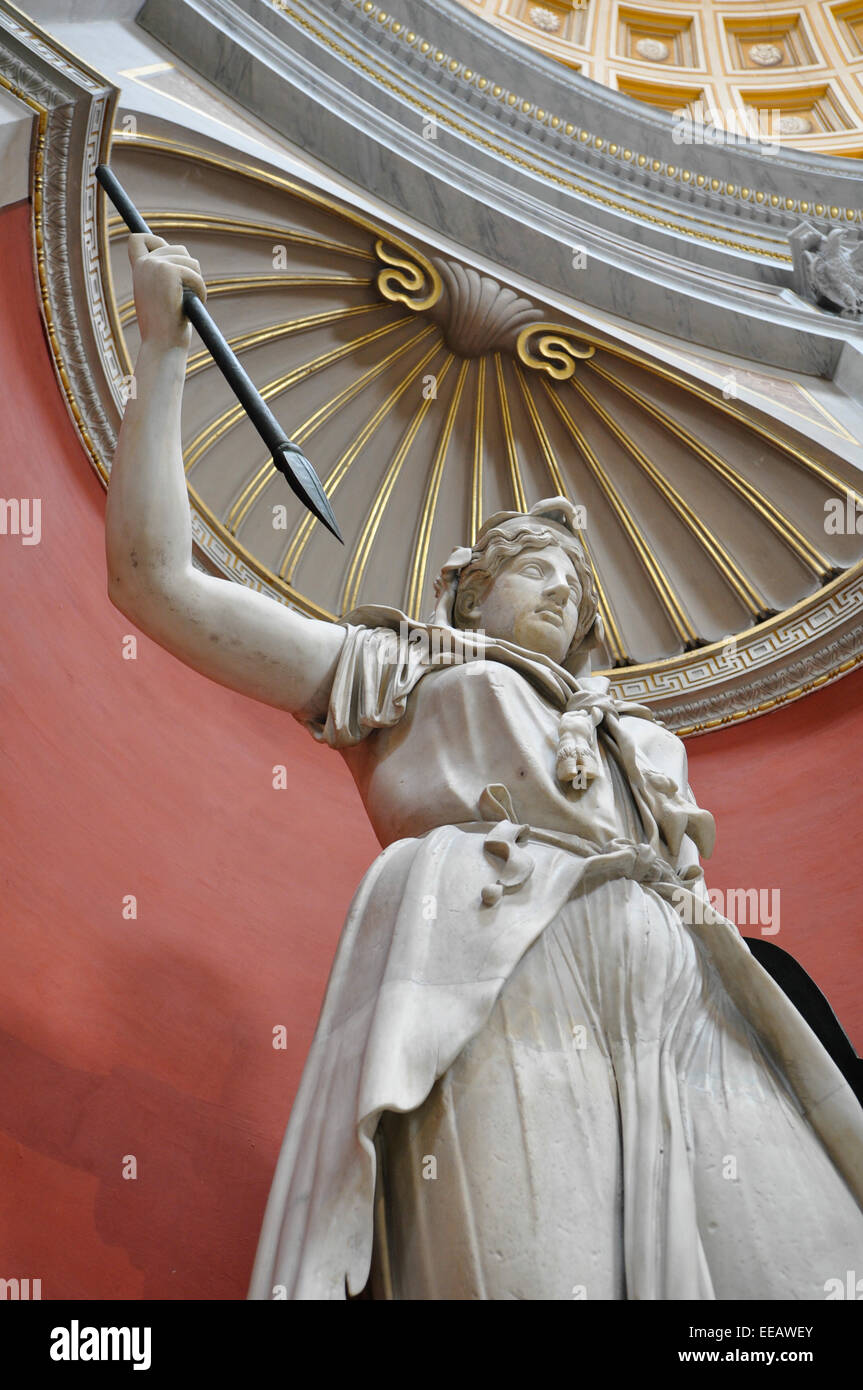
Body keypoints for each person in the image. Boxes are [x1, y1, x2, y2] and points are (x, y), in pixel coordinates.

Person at [108, 235, 863, 1301]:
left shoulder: (642, 739)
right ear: (466, 592)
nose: (562, 588)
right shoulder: (400, 670)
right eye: (533, 567)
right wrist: (160, 356)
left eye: (576, 585)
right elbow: (158, 586)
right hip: (497, 968)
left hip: (691, 1002)